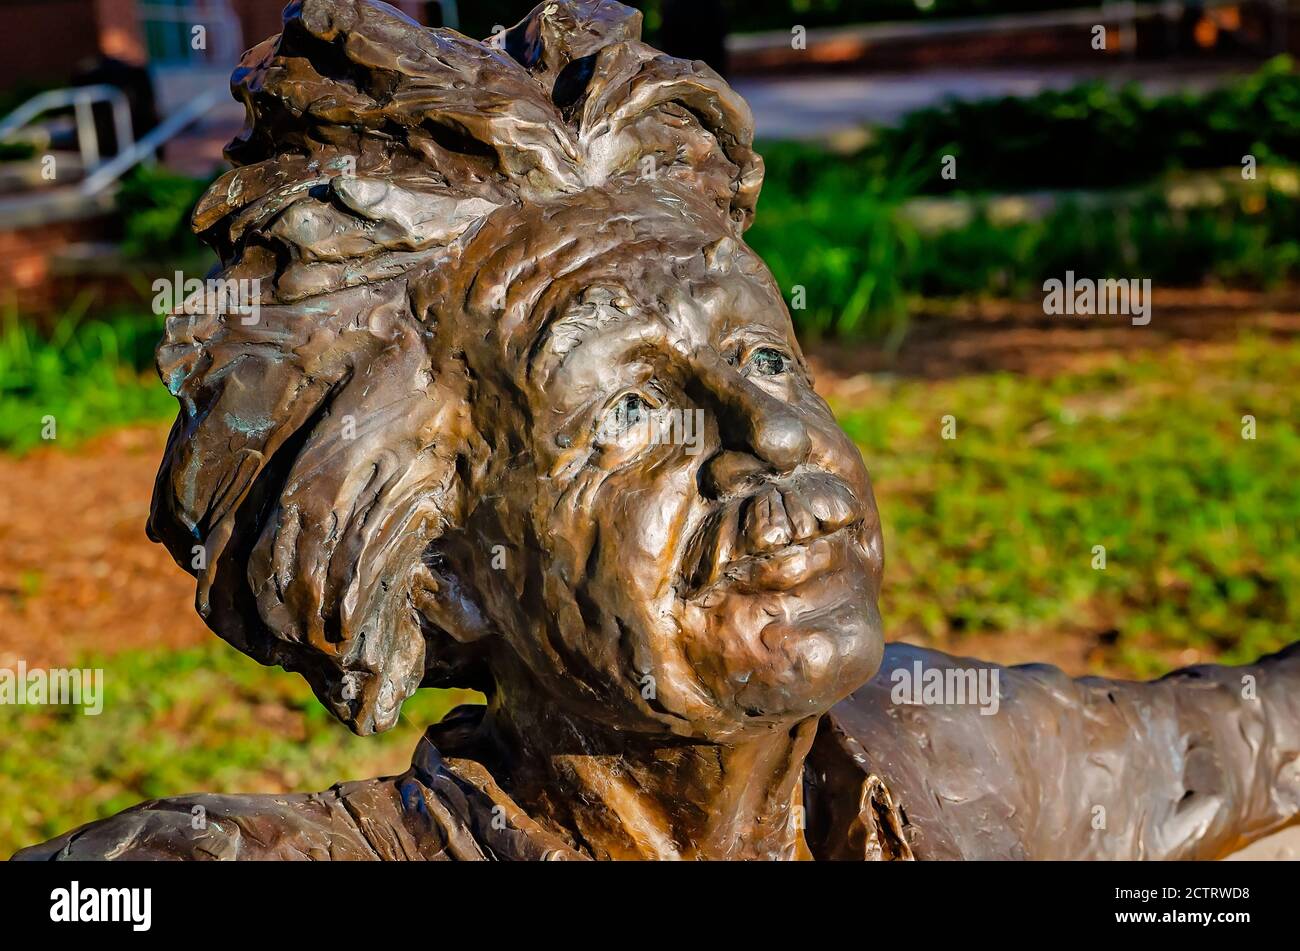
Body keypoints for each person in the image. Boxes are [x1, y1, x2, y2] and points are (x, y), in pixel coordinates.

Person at [15, 0, 1300, 861]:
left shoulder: (957, 752)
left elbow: (1232, 738)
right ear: (441, 569)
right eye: (628, 410)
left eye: (762, 359)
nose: (779, 443)